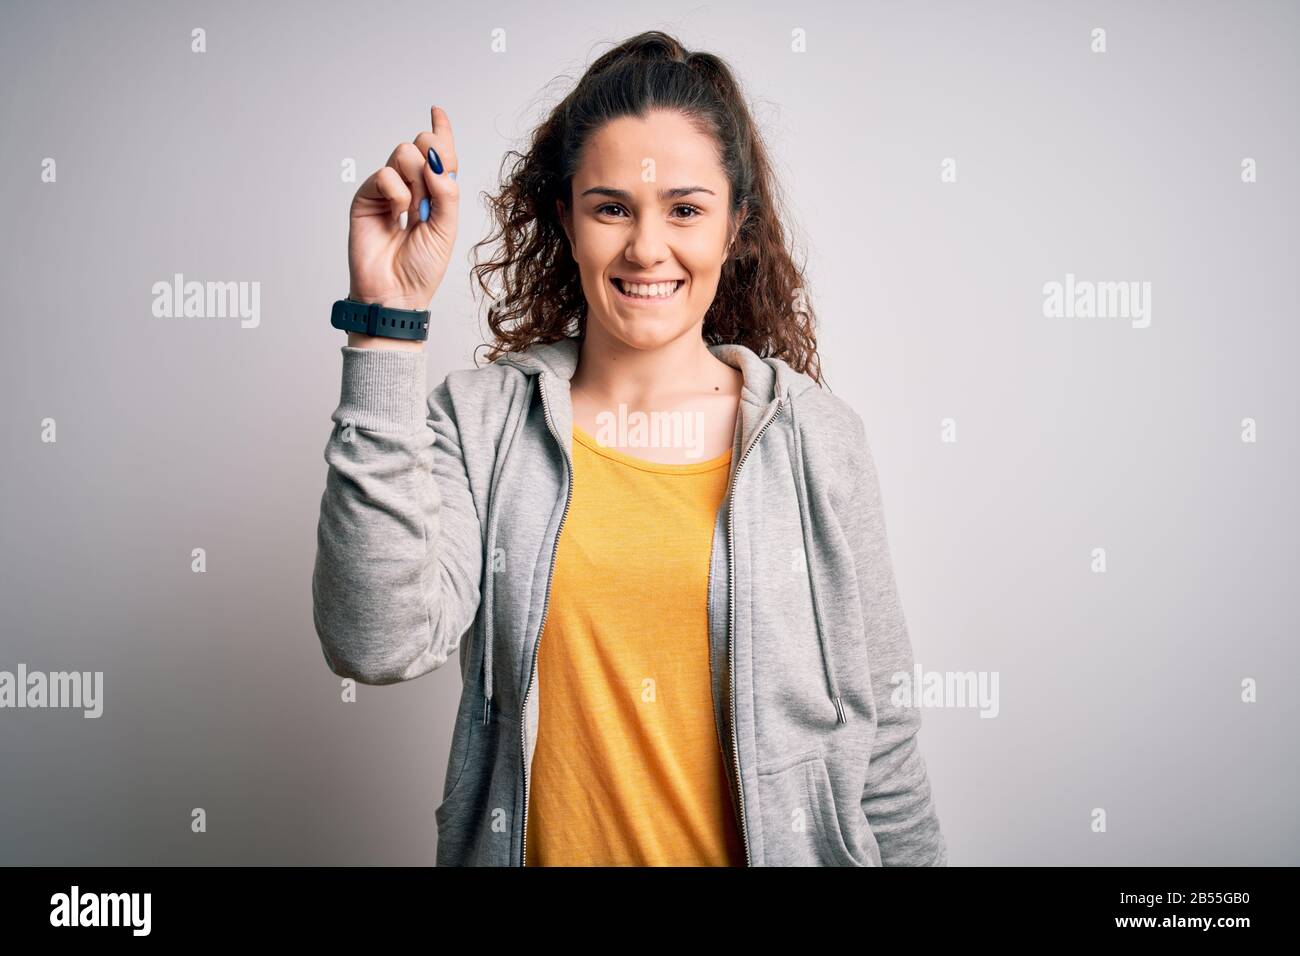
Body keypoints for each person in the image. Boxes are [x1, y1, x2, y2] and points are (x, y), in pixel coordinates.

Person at [312, 30, 948, 867]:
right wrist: (386, 330)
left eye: (685, 209)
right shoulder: (483, 425)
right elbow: (377, 641)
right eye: (612, 206)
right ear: (567, 222)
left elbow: (885, 743)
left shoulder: (817, 440)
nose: (647, 247)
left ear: (734, 229)